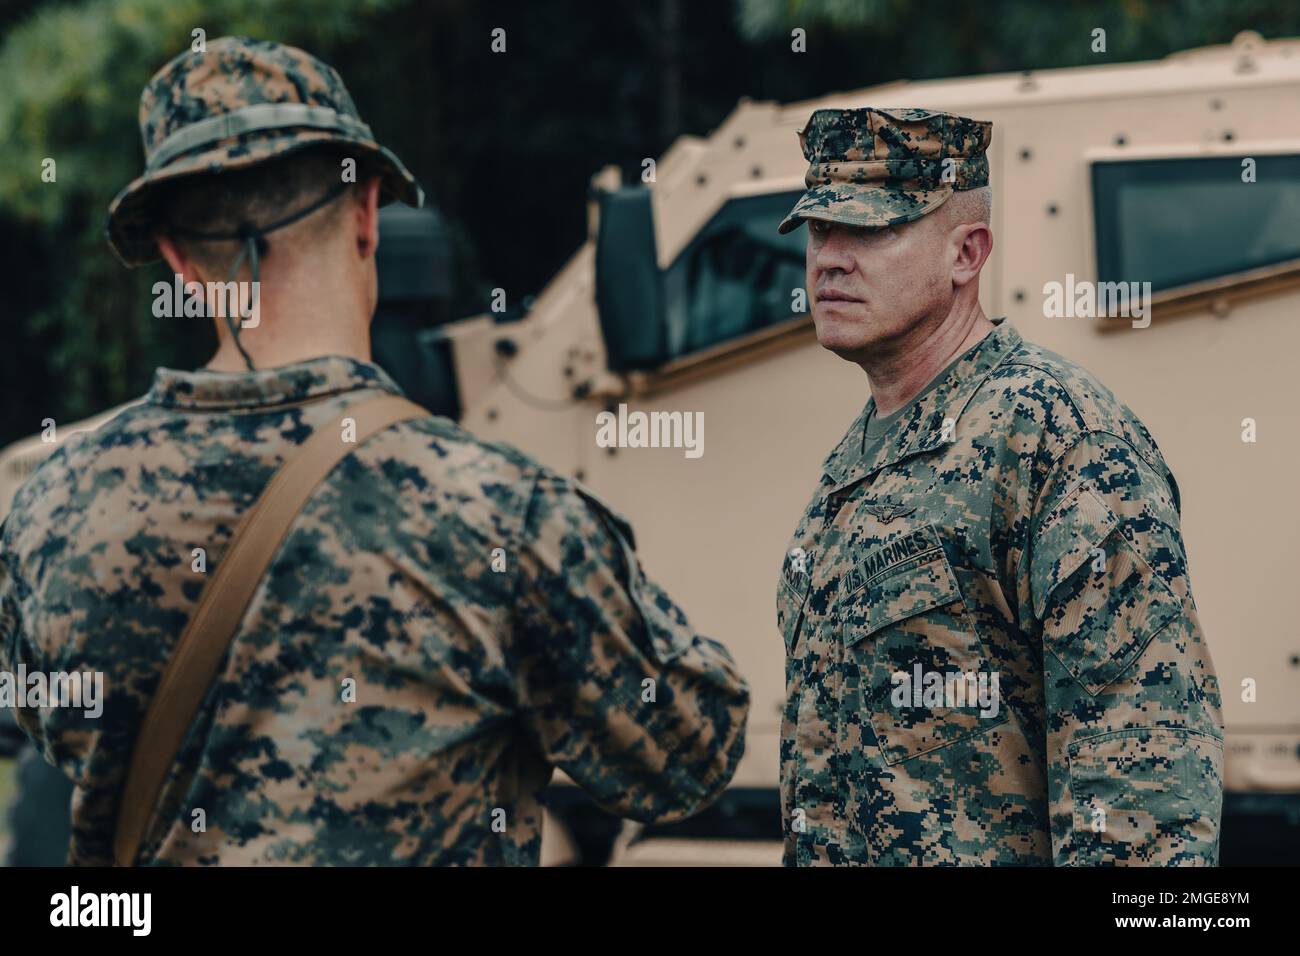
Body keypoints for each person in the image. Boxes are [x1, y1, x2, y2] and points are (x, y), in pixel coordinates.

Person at [0, 36, 748, 866]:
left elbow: (51, 732)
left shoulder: (48, 511)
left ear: (179, 260)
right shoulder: (499, 510)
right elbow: (687, 758)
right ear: (365, 220)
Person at [775, 106, 1223, 866]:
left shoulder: (1056, 436)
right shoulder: (855, 461)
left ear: (967, 254)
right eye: (820, 230)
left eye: (873, 231)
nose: (832, 259)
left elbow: (1141, 775)